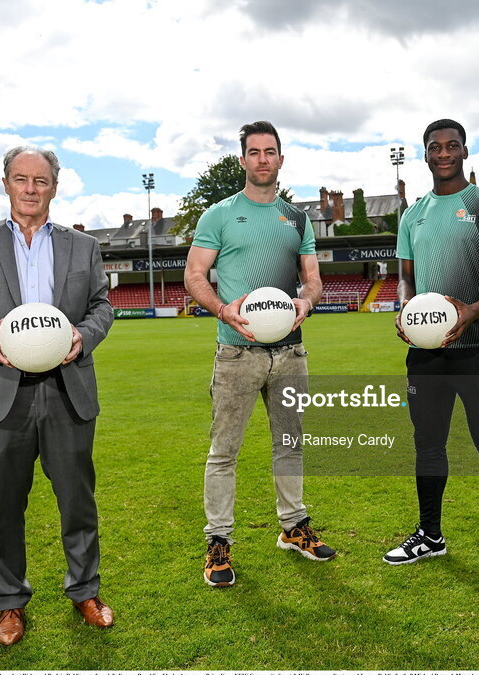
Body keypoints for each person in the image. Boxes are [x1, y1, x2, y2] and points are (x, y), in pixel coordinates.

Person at [0, 147, 115, 645]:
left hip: (68, 389)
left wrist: (84, 335)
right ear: (6, 184)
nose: (31, 189)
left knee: (77, 501)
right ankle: (10, 603)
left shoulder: (83, 246)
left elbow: (103, 305)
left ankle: (85, 590)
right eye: (21, 179)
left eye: (41, 180)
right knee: (4, 504)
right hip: (1, 391)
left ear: (54, 188)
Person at [184, 120, 335, 588]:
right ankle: (218, 543)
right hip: (237, 355)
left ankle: (293, 528)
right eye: (254, 152)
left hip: (290, 354)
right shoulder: (220, 215)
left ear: (281, 159)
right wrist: (222, 309)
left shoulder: (297, 218)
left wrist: (307, 302)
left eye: (271, 151)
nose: (263, 159)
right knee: (223, 452)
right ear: (243, 159)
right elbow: (194, 275)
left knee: (289, 445)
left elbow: (312, 278)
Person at [385, 119, 479, 591]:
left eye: (451, 145)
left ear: (464, 151)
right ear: (424, 155)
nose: (443, 152)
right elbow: (406, 275)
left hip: (478, 348)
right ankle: (430, 534)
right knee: (428, 445)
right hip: (426, 354)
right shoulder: (412, 214)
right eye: (434, 147)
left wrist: (470, 312)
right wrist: (404, 305)